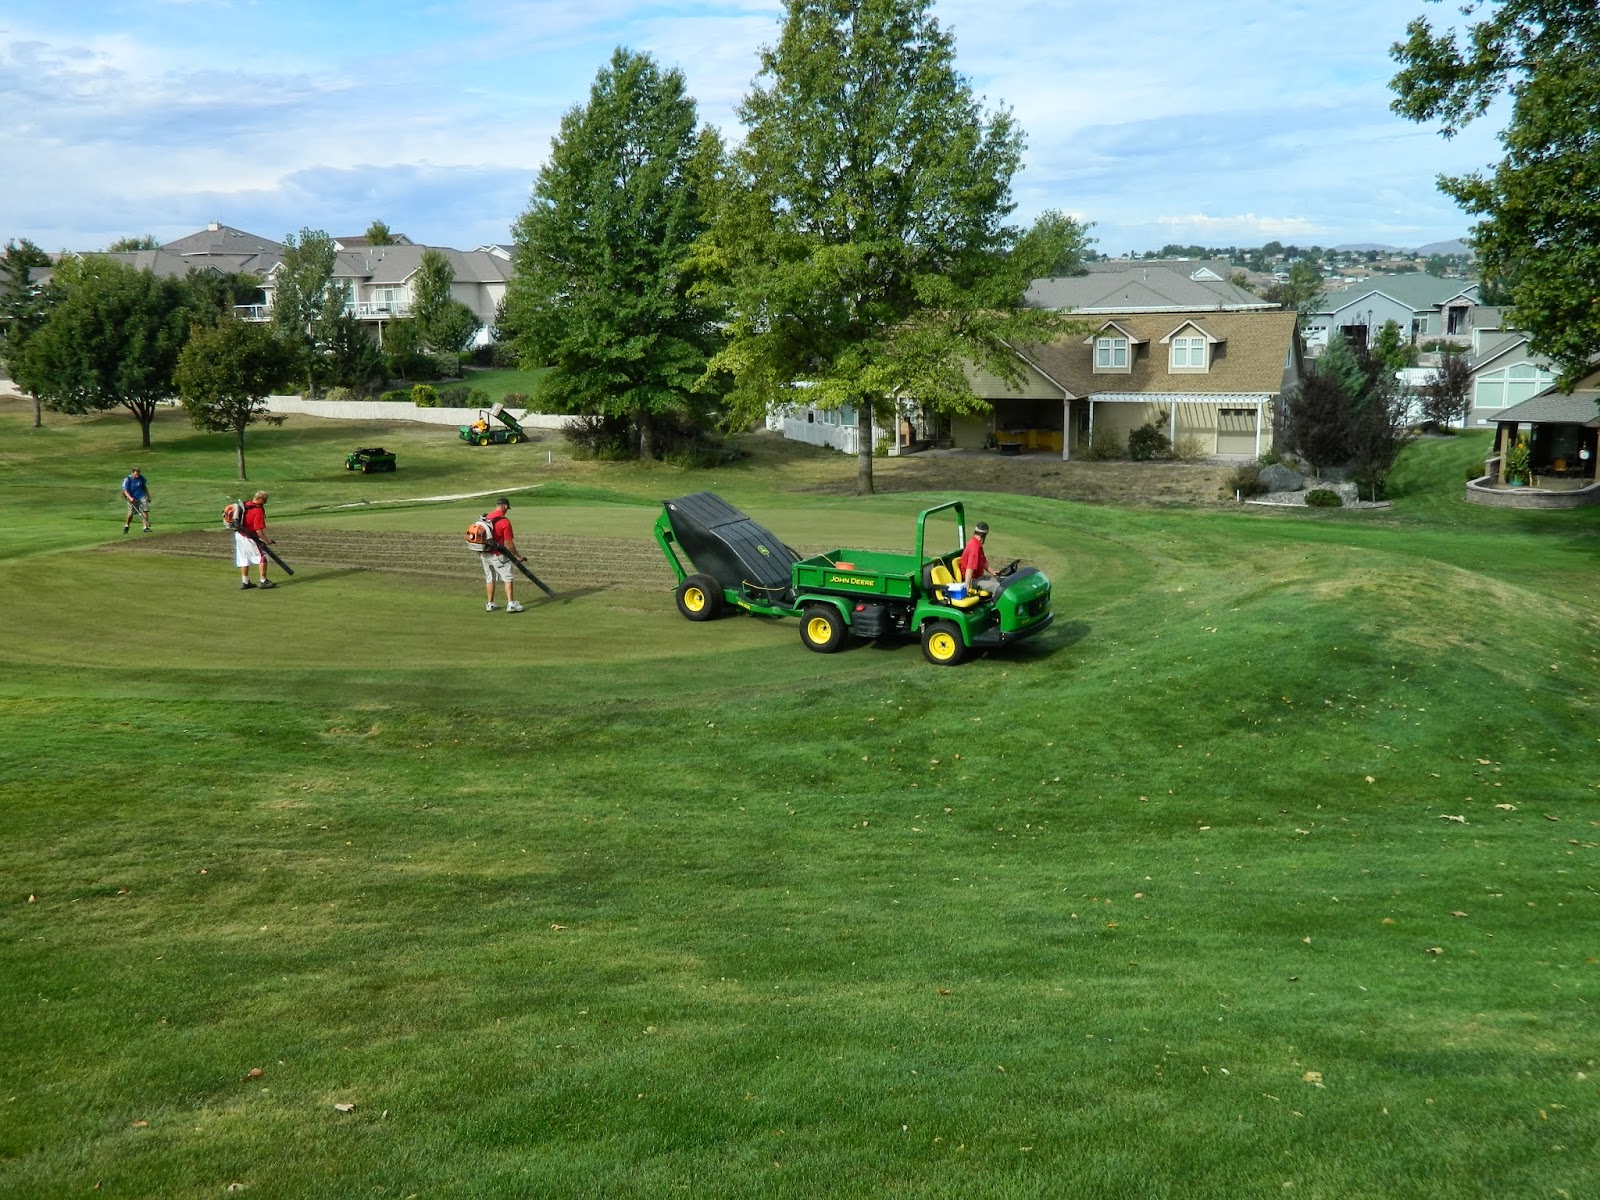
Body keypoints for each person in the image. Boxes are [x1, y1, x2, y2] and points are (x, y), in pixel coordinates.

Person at [481, 496, 524, 613]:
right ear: (505, 506)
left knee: (490, 578)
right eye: (507, 508)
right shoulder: (504, 521)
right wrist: (517, 555)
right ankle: (511, 604)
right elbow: (508, 543)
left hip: (485, 554)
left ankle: (490, 604)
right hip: (498, 554)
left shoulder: (486, 517)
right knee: (507, 577)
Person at [236, 491, 277, 590]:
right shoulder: (258, 511)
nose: (265, 503)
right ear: (260, 500)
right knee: (262, 557)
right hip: (250, 536)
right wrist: (267, 541)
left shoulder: (245, 504)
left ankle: (245, 582)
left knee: (243, 558)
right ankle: (263, 581)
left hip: (239, 535)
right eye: (265, 501)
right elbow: (258, 530)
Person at [958, 521, 1003, 595]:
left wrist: (992, 571)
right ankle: (998, 606)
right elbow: (970, 569)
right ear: (984, 535)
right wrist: (967, 586)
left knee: (999, 581)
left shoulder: (976, 544)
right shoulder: (974, 547)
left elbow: (983, 561)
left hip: (979, 577)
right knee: (997, 587)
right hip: (973, 580)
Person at [121, 468, 151, 533]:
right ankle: (127, 526)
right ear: (132, 473)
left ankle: (145, 527)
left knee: (145, 510)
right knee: (131, 513)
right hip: (132, 497)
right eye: (136, 474)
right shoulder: (127, 480)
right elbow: (125, 491)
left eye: (138, 474)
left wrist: (148, 496)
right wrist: (130, 498)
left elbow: (144, 487)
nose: (137, 476)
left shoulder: (141, 478)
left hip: (141, 496)